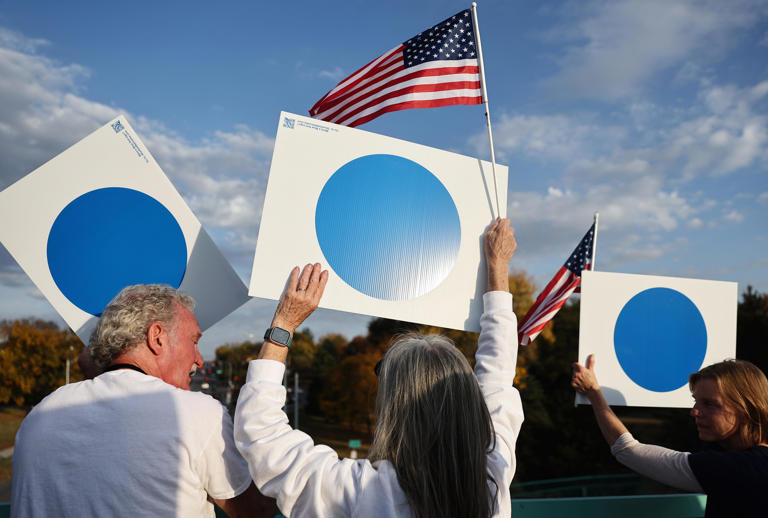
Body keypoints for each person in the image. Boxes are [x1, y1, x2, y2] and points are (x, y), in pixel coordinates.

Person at [234, 218, 524, 518]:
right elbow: (498, 375)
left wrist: (284, 323)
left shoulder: (362, 492)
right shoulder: (493, 476)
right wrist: (498, 266)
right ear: (468, 402)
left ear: (396, 408)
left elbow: (261, 435)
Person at [11, 284, 275, 518]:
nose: (199, 359)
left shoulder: (41, 414)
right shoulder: (194, 413)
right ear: (157, 337)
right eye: (194, 341)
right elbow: (256, 511)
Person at [571, 355, 768, 517]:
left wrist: (594, 392)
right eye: (696, 401)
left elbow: (628, 450)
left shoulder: (740, 467)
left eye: (709, 404)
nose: (695, 412)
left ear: (747, 409)